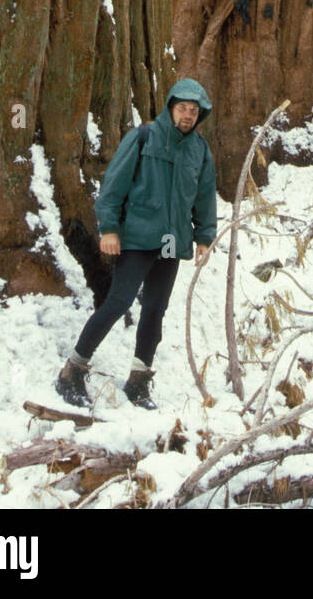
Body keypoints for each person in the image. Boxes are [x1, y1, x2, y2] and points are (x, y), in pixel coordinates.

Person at [55, 78, 217, 410]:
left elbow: (204, 198)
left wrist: (204, 237)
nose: (187, 115)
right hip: (138, 238)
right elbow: (113, 184)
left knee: (155, 309)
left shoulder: (199, 151)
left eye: (193, 111)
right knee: (118, 302)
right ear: (171, 108)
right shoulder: (144, 137)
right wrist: (110, 229)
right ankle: (72, 370)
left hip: (172, 241)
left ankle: (139, 381)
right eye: (182, 108)